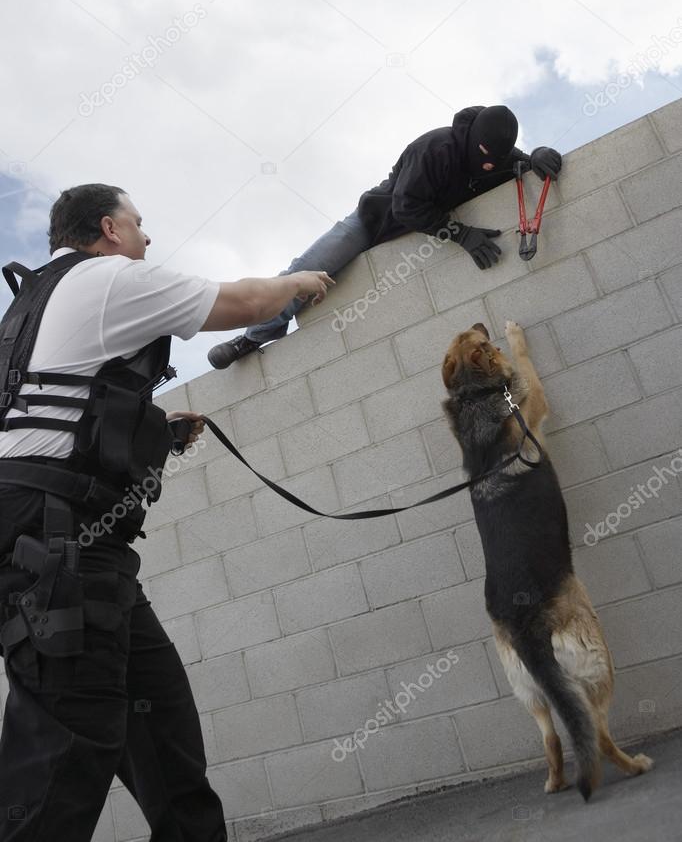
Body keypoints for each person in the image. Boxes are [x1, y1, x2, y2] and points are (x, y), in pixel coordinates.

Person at [0, 184, 333, 842]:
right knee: (68, 746)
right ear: (109, 228)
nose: (147, 237)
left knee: (163, 730)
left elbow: (54, 419)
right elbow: (243, 302)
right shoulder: (109, 277)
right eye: (139, 222)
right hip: (58, 545)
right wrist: (302, 279)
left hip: (69, 545)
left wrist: (154, 428)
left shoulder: (30, 308)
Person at [207, 104, 562, 370]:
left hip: (415, 231)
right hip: (375, 221)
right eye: (483, 156)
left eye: (493, 161)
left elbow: (519, 163)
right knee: (307, 269)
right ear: (471, 141)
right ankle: (253, 337)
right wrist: (461, 233)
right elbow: (407, 207)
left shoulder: (494, 157)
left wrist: (539, 157)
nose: (486, 166)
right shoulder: (435, 148)